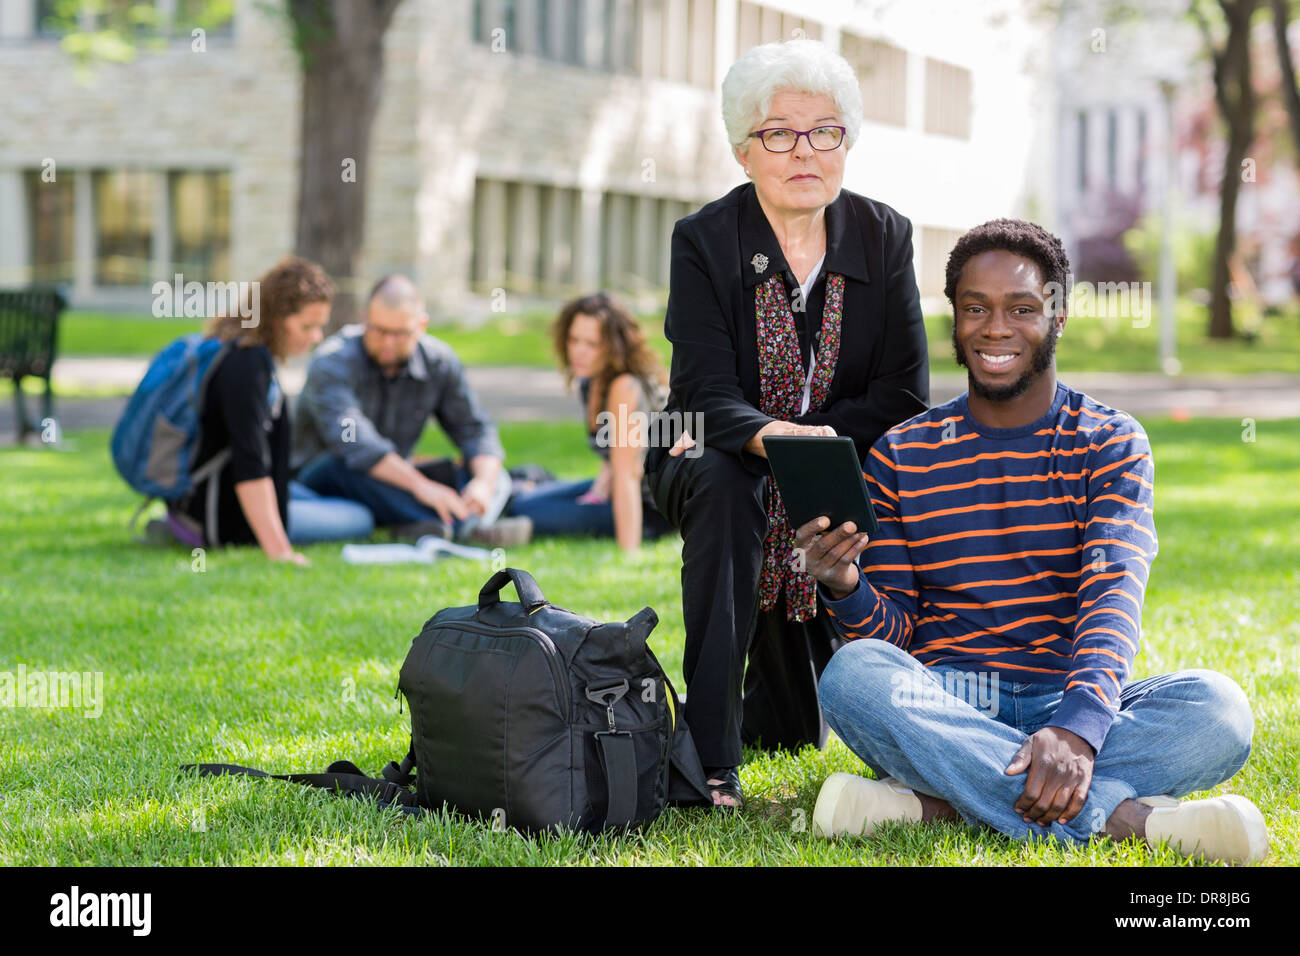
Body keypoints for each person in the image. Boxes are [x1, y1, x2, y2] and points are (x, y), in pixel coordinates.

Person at [797, 219, 1268, 863]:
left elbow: (1113, 597)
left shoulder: (1109, 441)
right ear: (954, 319)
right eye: (975, 309)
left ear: (1059, 315)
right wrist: (844, 587)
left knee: (1220, 711)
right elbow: (895, 638)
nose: (996, 328)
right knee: (853, 675)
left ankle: (933, 805)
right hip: (948, 698)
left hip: (1068, 691)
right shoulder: (901, 455)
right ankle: (1126, 823)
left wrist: (1075, 731)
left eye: (1022, 308)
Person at [643, 38, 931, 808]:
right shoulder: (703, 240)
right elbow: (702, 394)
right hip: (710, 454)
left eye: (825, 131)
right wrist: (782, 440)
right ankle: (706, 754)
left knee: (797, 729)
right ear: (745, 152)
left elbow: (904, 396)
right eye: (779, 133)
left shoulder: (886, 235)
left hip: (831, 472)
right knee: (727, 479)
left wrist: (816, 450)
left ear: (847, 142)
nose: (804, 151)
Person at [292, 274, 530, 547]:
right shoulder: (332, 362)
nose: (388, 343)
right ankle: (465, 527)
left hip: (397, 477)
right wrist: (422, 487)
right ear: (364, 318)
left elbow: (473, 428)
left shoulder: (439, 362)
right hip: (323, 478)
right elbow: (357, 444)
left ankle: (425, 525)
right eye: (379, 330)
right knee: (347, 464)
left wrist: (483, 483)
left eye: (400, 333)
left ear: (422, 325)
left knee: (481, 472)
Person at [175, 256, 375, 564]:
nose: (316, 337)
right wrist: (280, 551)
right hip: (224, 515)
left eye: (319, 326)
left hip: (213, 499)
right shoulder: (247, 363)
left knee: (342, 496)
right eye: (307, 326)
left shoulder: (240, 348)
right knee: (360, 516)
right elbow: (250, 463)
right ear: (277, 317)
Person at [506, 292, 673, 551]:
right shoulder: (591, 382)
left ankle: (517, 499)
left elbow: (628, 474)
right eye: (574, 340)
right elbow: (614, 459)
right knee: (520, 501)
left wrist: (629, 551)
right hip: (617, 492)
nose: (579, 352)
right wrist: (594, 495)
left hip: (650, 511)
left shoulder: (624, 386)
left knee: (523, 509)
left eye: (592, 344)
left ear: (614, 347)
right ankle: (524, 486)